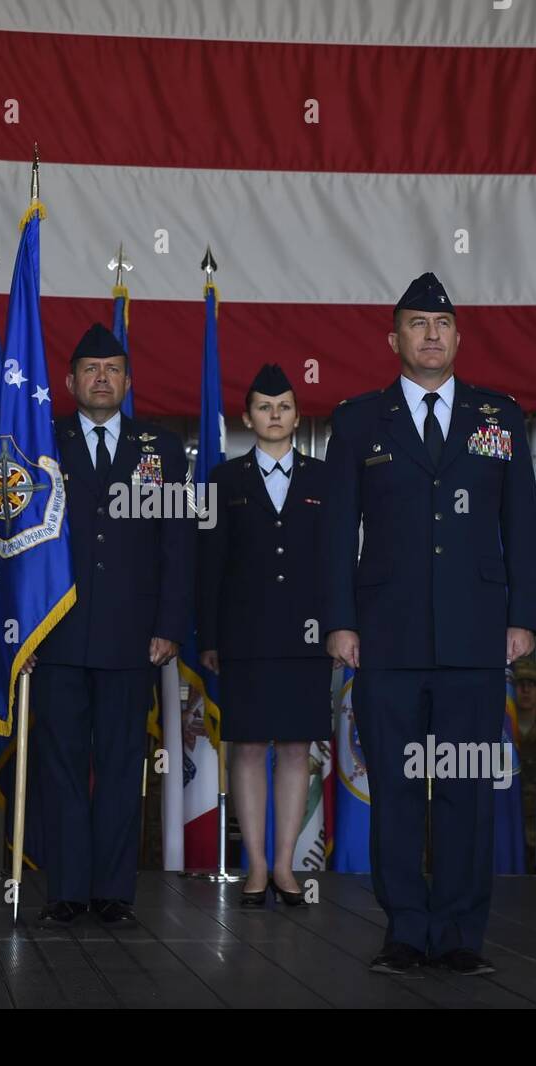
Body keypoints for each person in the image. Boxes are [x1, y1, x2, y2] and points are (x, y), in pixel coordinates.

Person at [323, 272, 536, 976]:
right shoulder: (360, 419)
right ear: (394, 339)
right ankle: (406, 928)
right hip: (385, 635)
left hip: (476, 635)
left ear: (458, 336)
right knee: (395, 786)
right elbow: (335, 533)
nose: (431, 335)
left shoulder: (498, 418)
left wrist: (522, 618)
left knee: (463, 787)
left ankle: (457, 931)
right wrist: (341, 622)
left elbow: (522, 526)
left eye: (442, 325)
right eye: (417, 324)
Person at [25, 322, 194, 926]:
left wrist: (170, 623)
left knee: (123, 766)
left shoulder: (162, 449)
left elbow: (178, 546)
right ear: (69, 382)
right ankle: (67, 891)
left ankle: (114, 893)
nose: (102, 378)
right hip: (59, 634)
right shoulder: (42, 439)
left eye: (113, 368)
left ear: (127, 380)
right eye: (90, 369)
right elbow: (20, 542)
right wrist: (25, 629)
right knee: (61, 765)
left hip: (133, 637)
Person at [197, 364, 331, 906]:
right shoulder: (221, 480)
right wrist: (208, 635)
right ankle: (253, 865)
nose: (274, 416)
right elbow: (209, 565)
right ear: (246, 417)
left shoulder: (326, 479)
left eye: (283, 407)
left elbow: (335, 561)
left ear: (297, 417)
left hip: (307, 636)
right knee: (248, 748)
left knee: (297, 748)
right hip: (244, 635)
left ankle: (284, 866)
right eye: (263, 407)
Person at [510, 655, 536, 868]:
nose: (525, 690)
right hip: (512, 824)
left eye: (532, 684)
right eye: (520, 683)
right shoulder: (503, 733)